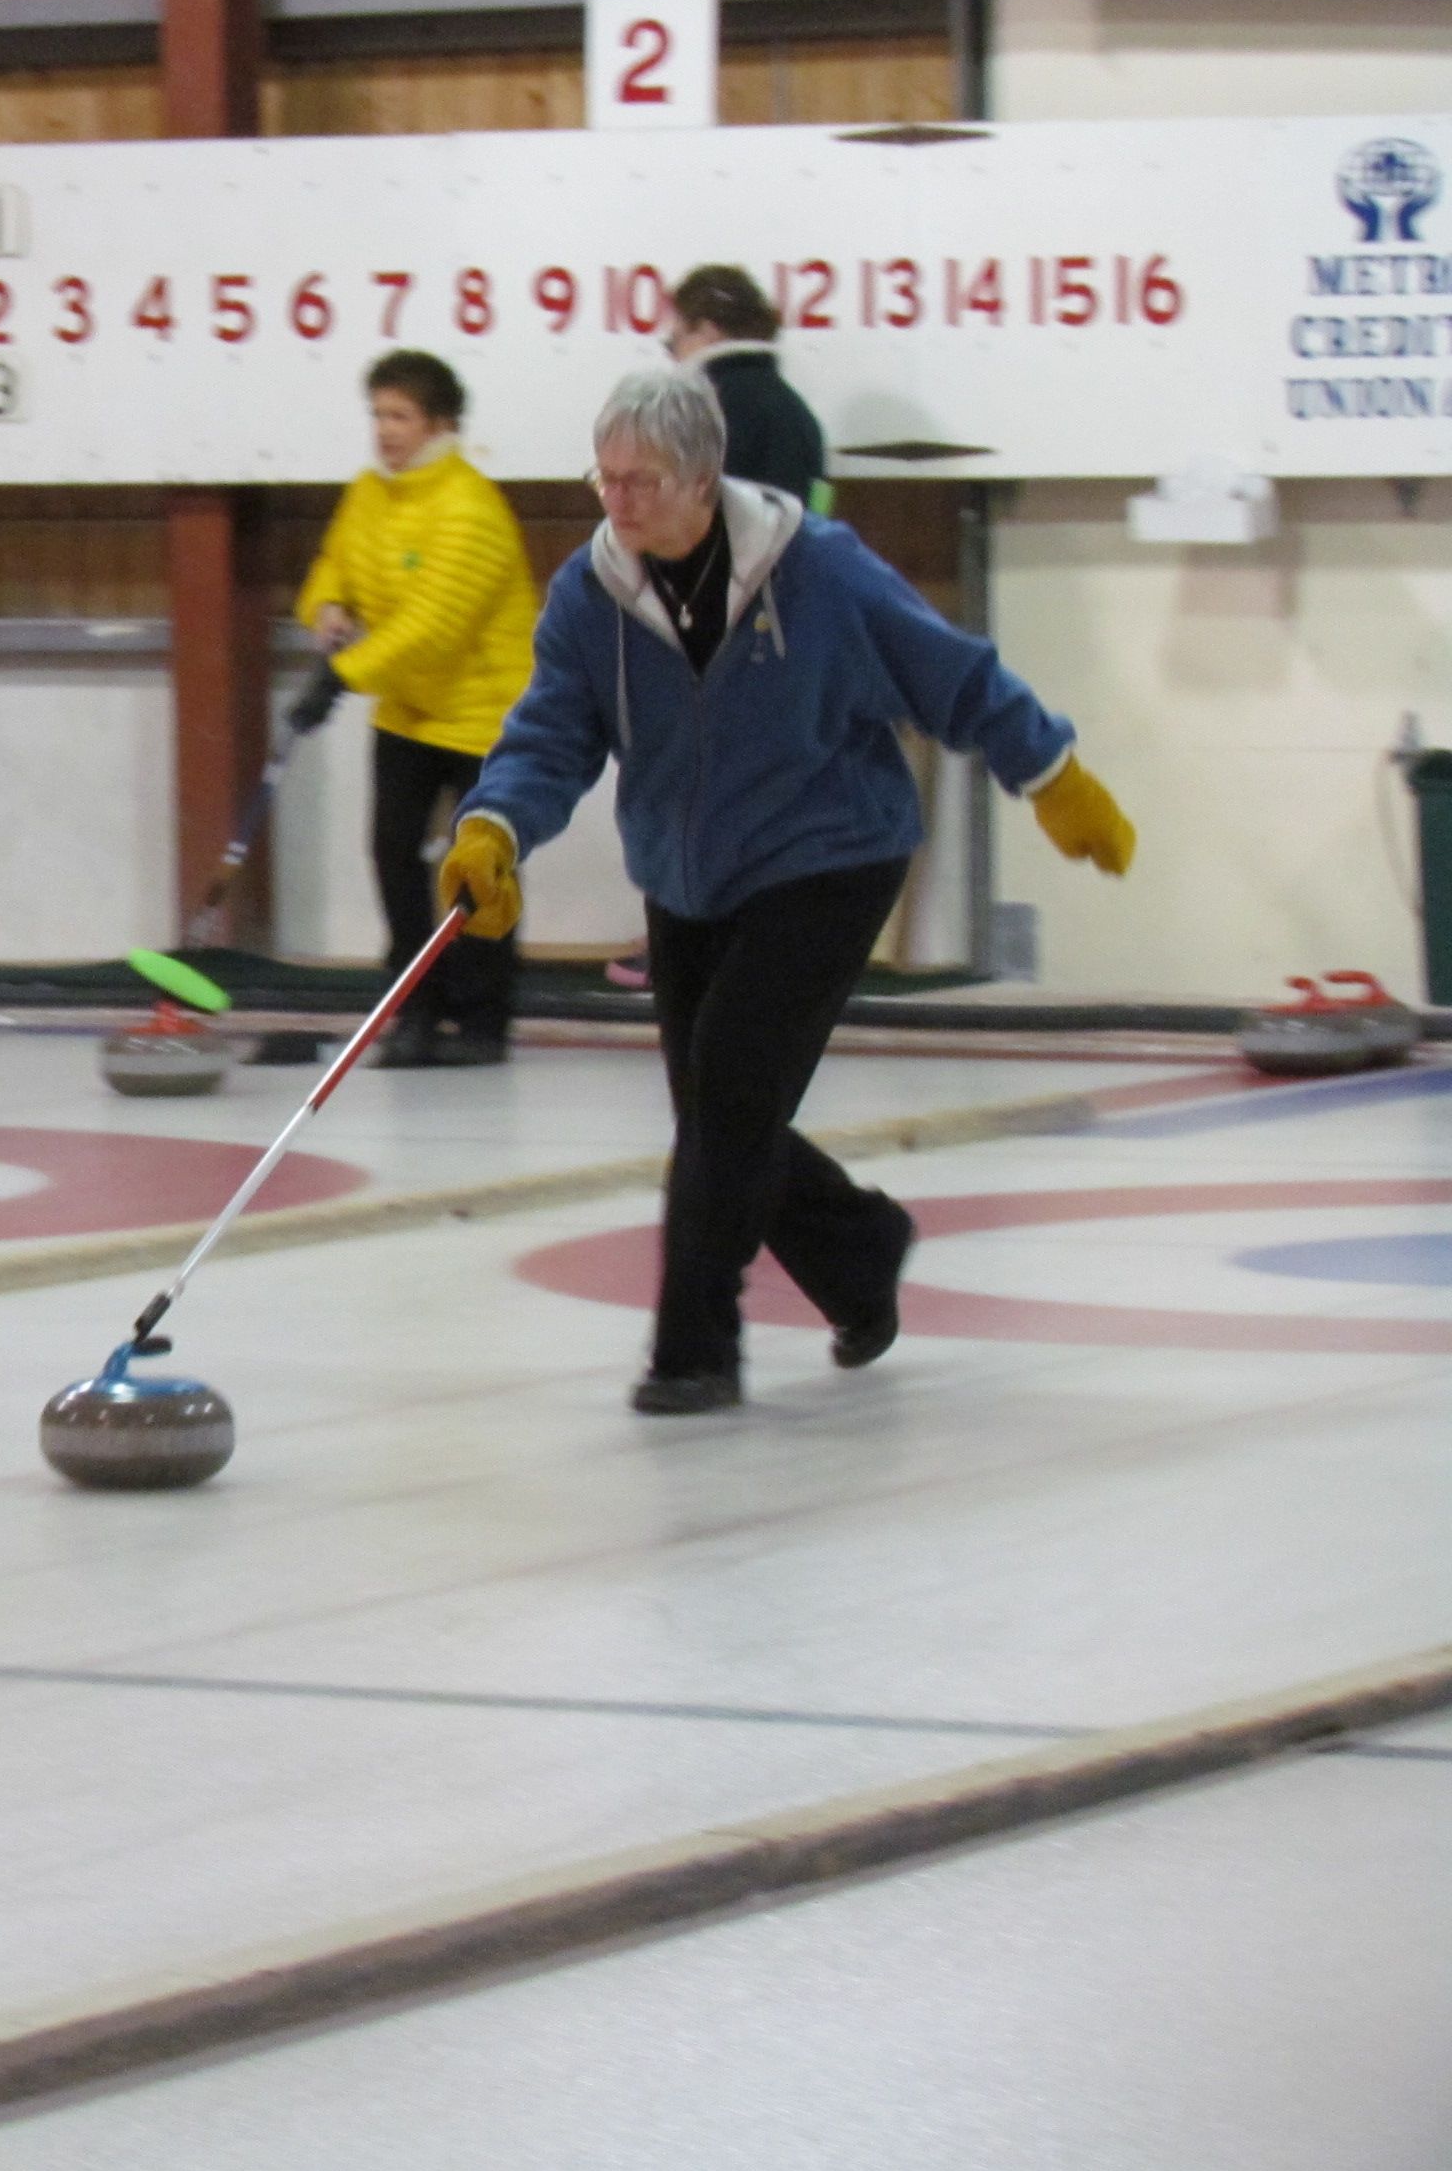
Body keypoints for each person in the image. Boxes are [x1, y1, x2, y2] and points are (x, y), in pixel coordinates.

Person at [439, 370, 1134, 1415]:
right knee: (723, 1111)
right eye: (606, 478)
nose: (618, 503)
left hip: (830, 856)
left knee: (727, 1092)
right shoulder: (592, 594)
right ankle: (860, 1253)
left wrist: (1050, 774)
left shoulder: (819, 572)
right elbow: (550, 734)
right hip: (687, 876)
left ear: (705, 478)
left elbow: (954, 675)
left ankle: (694, 1350)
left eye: (643, 481)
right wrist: (493, 827)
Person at [294, 349, 539, 1067]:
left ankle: (484, 1021)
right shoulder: (372, 492)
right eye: (377, 413)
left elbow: (434, 629)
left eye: (399, 415)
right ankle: (412, 1010)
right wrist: (328, 607)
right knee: (393, 854)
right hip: (408, 712)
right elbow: (334, 564)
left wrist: (340, 676)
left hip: (485, 713)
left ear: (438, 422)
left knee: (480, 869)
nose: (385, 430)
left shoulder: (471, 507)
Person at [665, 264, 825, 508]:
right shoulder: (800, 416)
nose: (673, 357)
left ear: (708, 331)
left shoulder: (699, 412)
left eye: (673, 341)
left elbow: (683, 520)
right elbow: (816, 514)